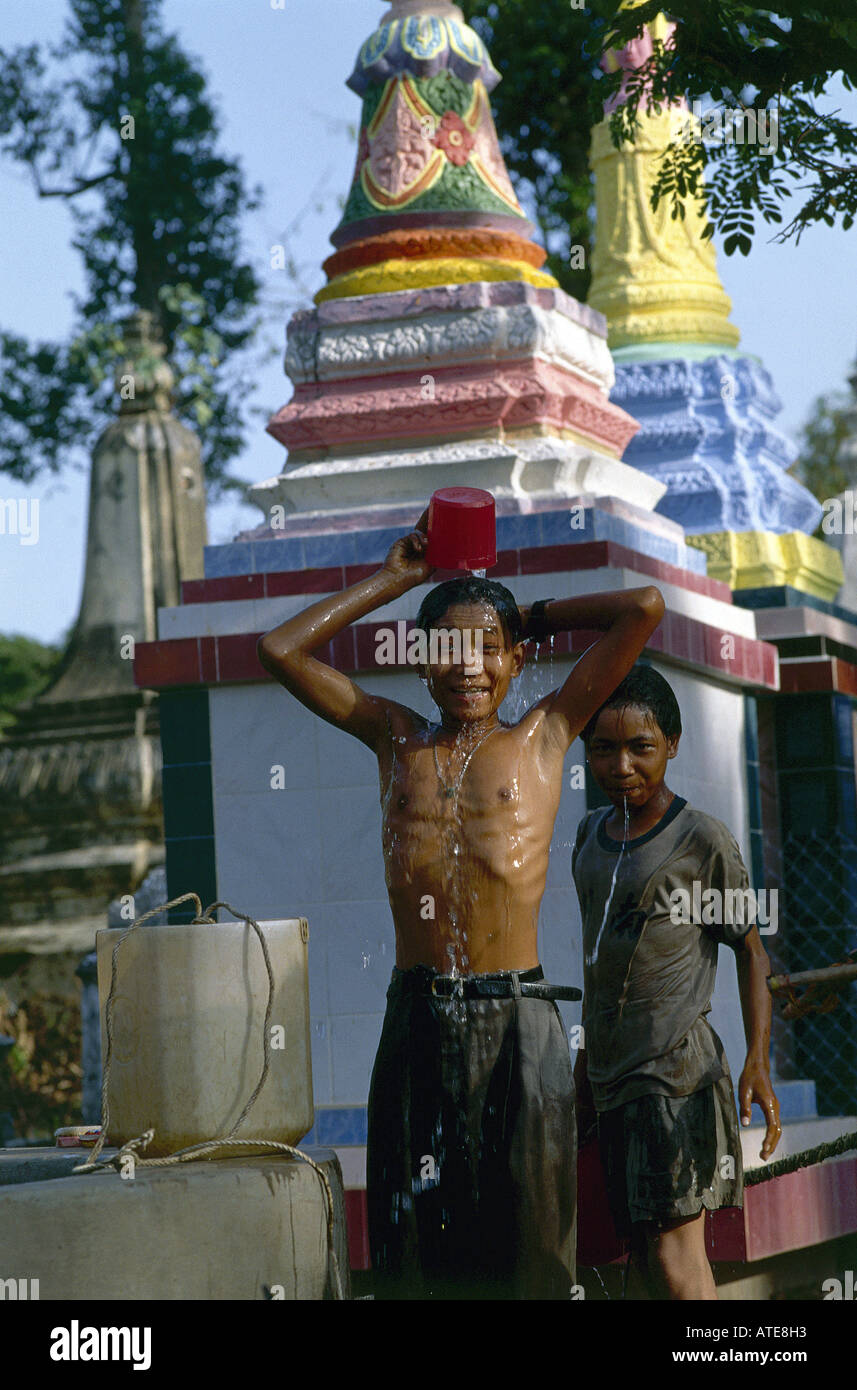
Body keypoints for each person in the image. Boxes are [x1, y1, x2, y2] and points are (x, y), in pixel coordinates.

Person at [258, 507, 665, 1299]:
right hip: (417, 1017)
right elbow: (279, 650)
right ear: (420, 663)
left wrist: (527, 617)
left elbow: (641, 607)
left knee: (532, 1245)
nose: (467, 667)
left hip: (518, 1020)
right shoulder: (393, 737)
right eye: (446, 648)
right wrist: (395, 579)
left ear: (515, 662)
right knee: (412, 1244)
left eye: (487, 650)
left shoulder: (545, 735)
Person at [571, 663, 782, 1300]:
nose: (622, 765)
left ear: (672, 745)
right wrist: (585, 1068)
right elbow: (597, 961)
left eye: (641, 747)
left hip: (675, 1078)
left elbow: (752, 953)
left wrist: (757, 1061)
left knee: (675, 1258)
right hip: (611, 1082)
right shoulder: (589, 836)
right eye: (604, 749)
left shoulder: (700, 840)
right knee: (637, 1257)